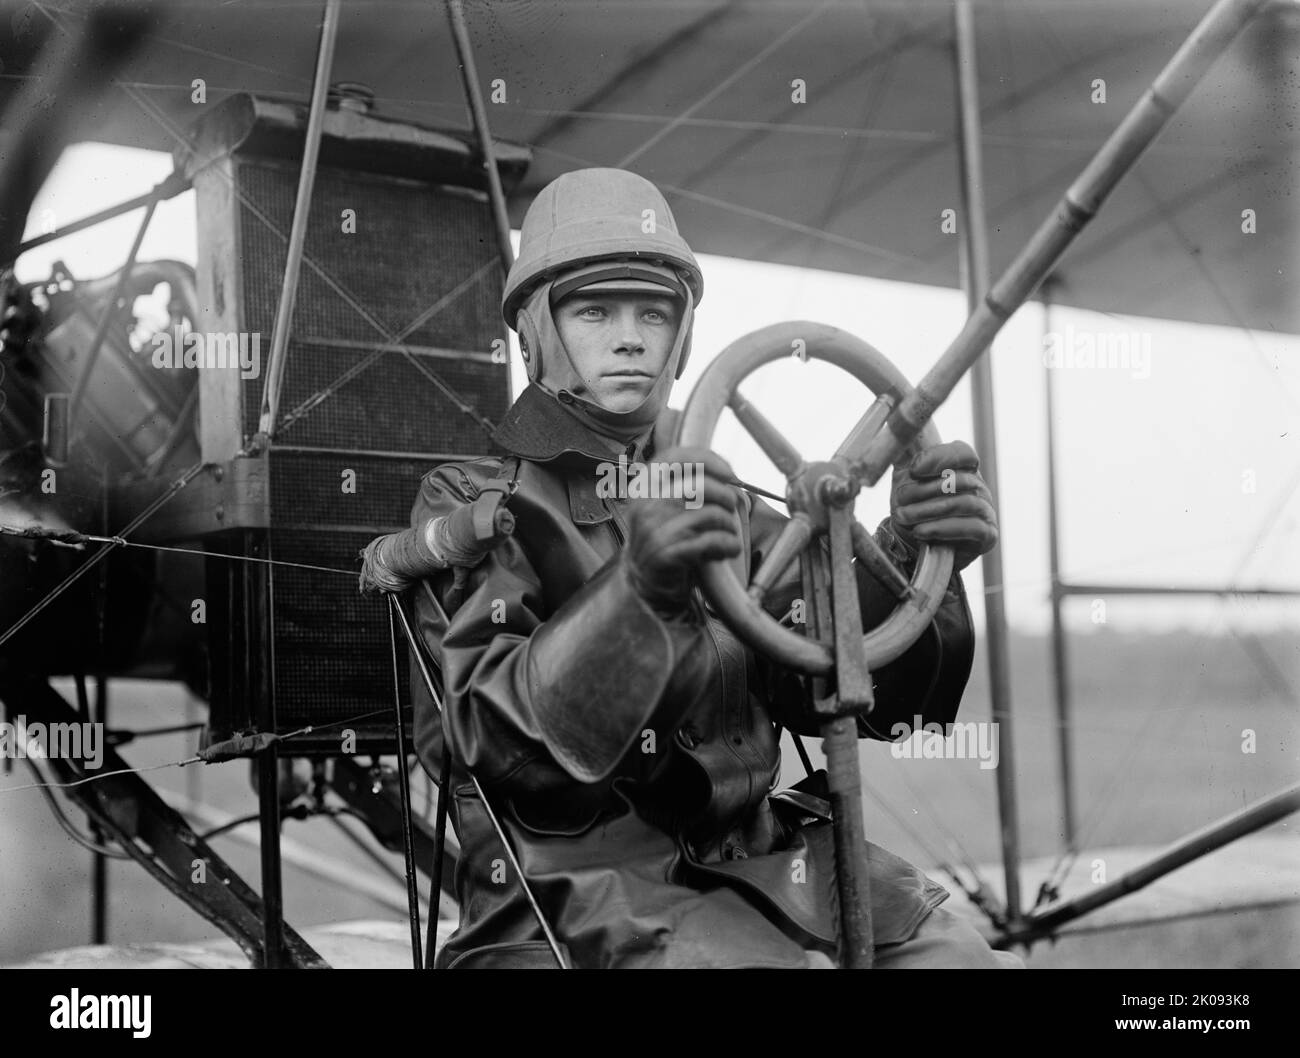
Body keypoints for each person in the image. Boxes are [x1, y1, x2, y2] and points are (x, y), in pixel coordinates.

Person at [408, 167, 1015, 969]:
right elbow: (495, 748)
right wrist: (638, 596)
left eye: (652, 312)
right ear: (538, 330)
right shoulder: (478, 503)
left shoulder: (723, 498)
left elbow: (825, 680)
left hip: (763, 855)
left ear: (682, 334)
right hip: (570, 890)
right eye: (594, 310)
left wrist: (905, 553)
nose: (629, 336)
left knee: (960, 961)